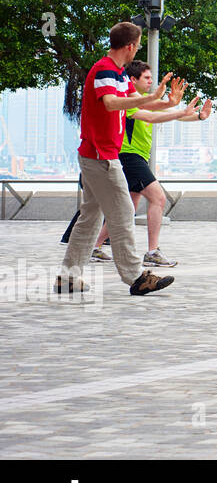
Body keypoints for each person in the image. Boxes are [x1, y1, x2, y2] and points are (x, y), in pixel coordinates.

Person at [55, 22, 176, 296]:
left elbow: (139, 103)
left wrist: (167, 102)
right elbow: (110, 103)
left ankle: (67, 278)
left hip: (99, 156)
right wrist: (152, 97)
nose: (138, 50)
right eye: (138, 46)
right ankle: (136, 277)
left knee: (90, 219)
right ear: (131, 46)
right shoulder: (104, 70)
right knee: (123, 212)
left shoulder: (119, 74)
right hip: (100, 157)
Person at [85, 61, 211, 268]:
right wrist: (179, 110)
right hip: (128, 155)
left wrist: (198, 117)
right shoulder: (126, 100)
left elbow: (165, 115)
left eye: (152, 78)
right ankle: (152, 252)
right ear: (133, 80)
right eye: (147, 78)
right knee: (158, 198)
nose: (151, 81)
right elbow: (153, 117)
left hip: (137, 157)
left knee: (129, 208)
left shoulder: (142, 101)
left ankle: (95, 247)